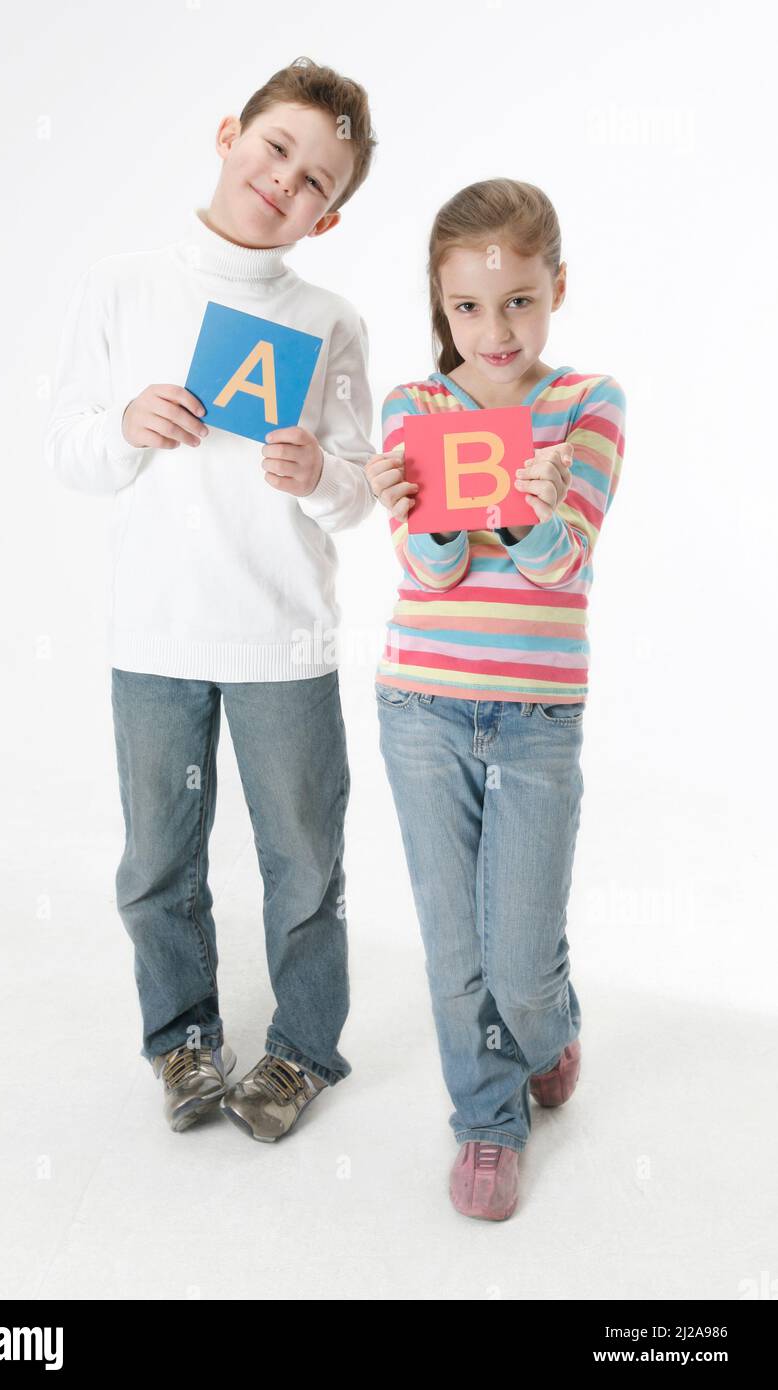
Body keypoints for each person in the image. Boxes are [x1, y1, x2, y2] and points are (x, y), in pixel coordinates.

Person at [44, 57, 378, 1139]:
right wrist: (125, 425)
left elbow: (357, 492)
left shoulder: (328, 317)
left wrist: (312, 474)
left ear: (326, 219)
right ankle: (182, 1037)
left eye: (316, 180)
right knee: (156, 857)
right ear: (229, 131)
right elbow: (71, 451)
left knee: (303, 858)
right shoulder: (124, 285)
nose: (286, 179)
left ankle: (301, 1050)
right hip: (154, 634)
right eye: (277, 148)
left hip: (282, 637)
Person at [366, 178, 626, 1218]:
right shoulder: (413, 407)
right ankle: (485, 1120)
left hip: (535, 718)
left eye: (517, 299)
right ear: (439, 305)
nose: (494, 328)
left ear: (554, 287)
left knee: (516, 960)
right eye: (468, 307)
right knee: (452, 946)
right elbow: (428, 572)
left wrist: (531, 517)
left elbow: (564, 567)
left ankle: (546, 1021)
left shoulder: (587, 404)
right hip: (420, 707)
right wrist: (419, 518)